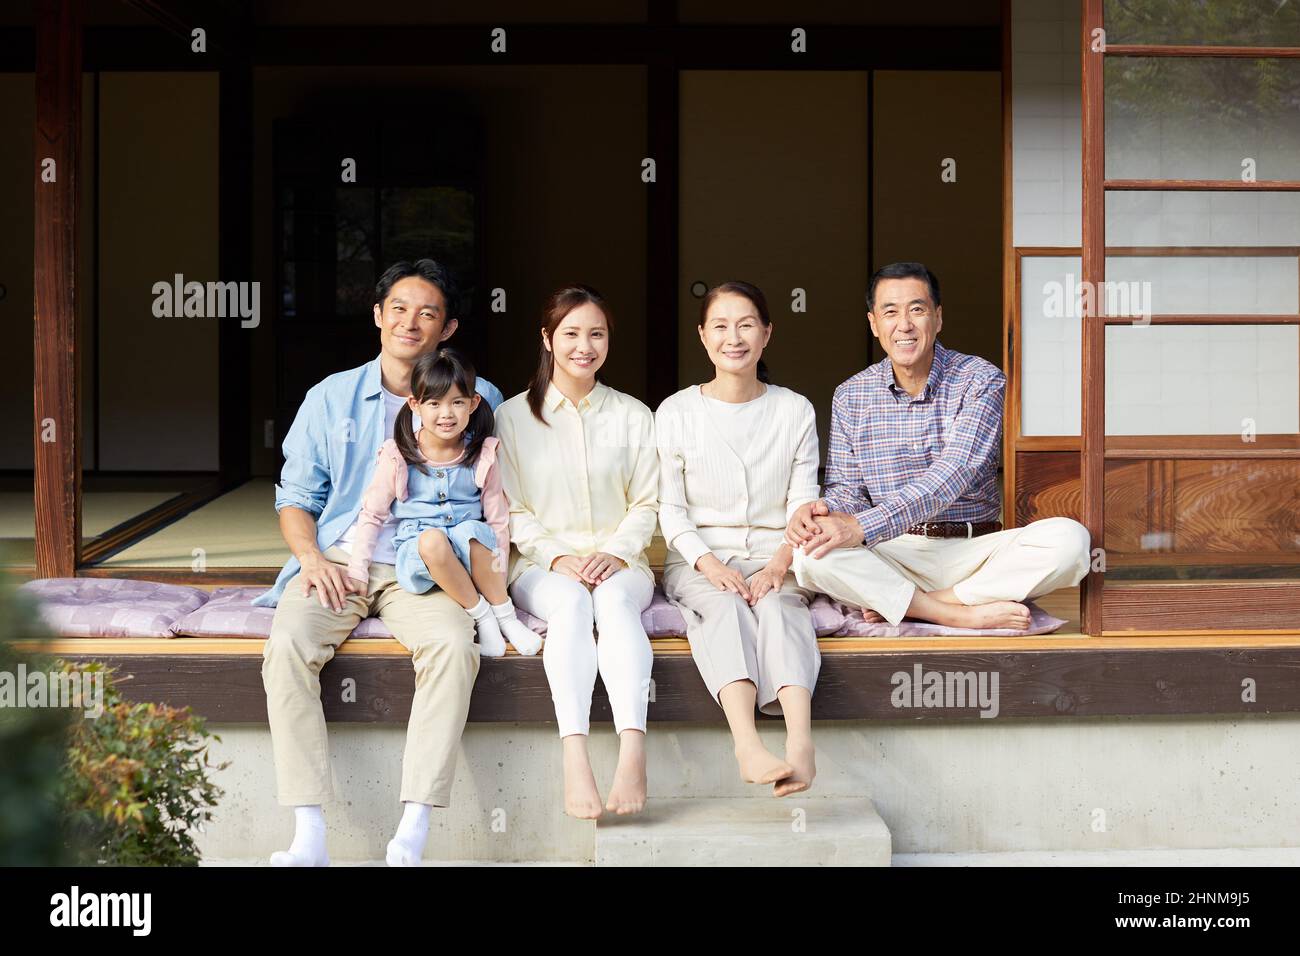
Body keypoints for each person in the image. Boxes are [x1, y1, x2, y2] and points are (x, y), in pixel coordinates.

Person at [255, 259, 504, 867]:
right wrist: (311, 557)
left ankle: (412, 829)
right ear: (377, 315)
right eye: (398, 308)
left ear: (447, 328)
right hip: (343, 556)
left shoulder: (481, 398)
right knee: (287, 641)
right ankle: (309, 833)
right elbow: (295, 498)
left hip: (428, 564)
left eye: (428, 313)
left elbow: (503, 498)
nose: (410, 323)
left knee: (452, 646)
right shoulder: (330, 397)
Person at [787, 261, 1090, 630]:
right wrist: (823, 511)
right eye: (890, 312)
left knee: (1070, 540)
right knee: (809, 556)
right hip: (895, 552)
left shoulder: (980, 378)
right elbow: (847, 489)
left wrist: (861, 526)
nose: (904, 325)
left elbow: (952, 475)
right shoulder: (851, 394)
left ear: (938, 317)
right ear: (873, 324)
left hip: (975, 550)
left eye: (917, 309)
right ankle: (956, 612)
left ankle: (920, 604)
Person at [495, 285, 659, 819]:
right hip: (541, 566)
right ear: (547, 339)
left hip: (622, 563)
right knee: (569, 604)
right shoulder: (513, 418)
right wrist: (557, 557)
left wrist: (615, 552)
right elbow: (510, 506)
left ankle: (632, 752)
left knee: (612, 604)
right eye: (570, 333)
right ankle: (576, 755)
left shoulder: (634, 415)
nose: (584, 346)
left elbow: (648, 501)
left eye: (596, 334)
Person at [657, 280, 821, 797]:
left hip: (779, 553)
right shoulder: (676, 412)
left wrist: (777, 567)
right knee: (725, 609)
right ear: (703, 336)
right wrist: (709, 565)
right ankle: (747, 744)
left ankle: (800, 745)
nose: (735, 337)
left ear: (767, 334)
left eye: (747, 324)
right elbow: (671, 509)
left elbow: (804, 500)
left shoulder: (795, 410)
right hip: (700, 558)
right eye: (721, 326)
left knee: (779, 608)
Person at [344, 347, 541, 659]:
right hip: (420, 557)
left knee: (472, 532)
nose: (446, 413)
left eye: (457, 402)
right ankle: (484, 617)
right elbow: (372, 514)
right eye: (434, 403)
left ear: (474, 404)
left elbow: (498, 520)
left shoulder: (483, 454)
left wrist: (498, 578)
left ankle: (506, 616)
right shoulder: (398, 456)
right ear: (415, 405)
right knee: (434, 539)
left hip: (471, 554)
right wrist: (358, 570)